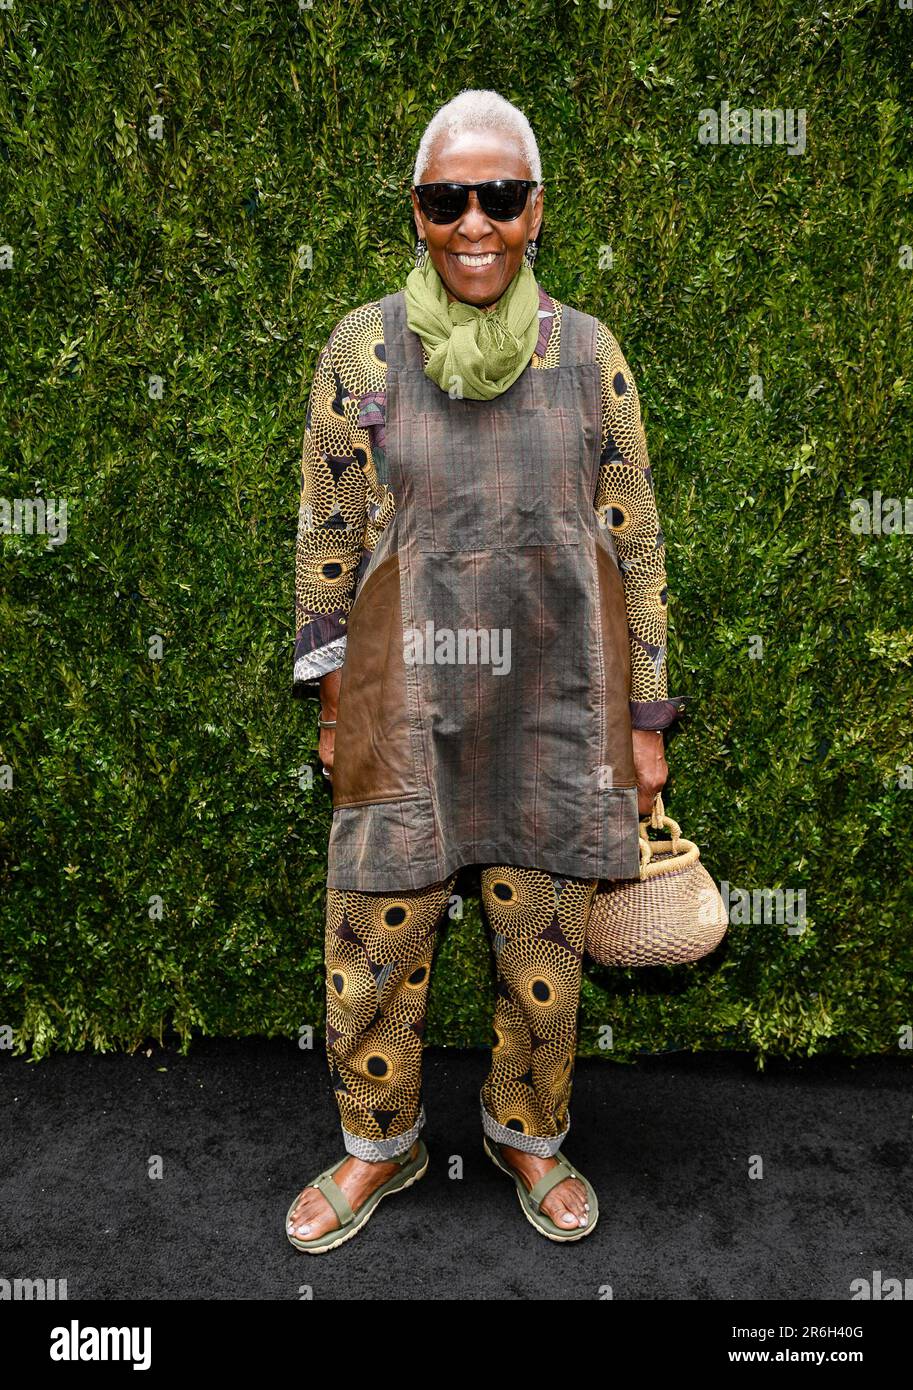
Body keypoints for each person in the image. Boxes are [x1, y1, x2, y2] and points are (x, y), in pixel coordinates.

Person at [287, 90, 687, 1251]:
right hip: (395, 706)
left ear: (534, 213)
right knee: (374, 947)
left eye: (499, 197)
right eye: (446, 198)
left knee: (543, 963)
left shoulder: (589, 352)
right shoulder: (358, 348)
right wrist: (331, 710)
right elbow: (327, 534)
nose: (474, 221)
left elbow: (639, 535)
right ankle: (379, 1146)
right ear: (417, 213)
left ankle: (527, 1133)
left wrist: (644, 717)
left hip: (553, 709)